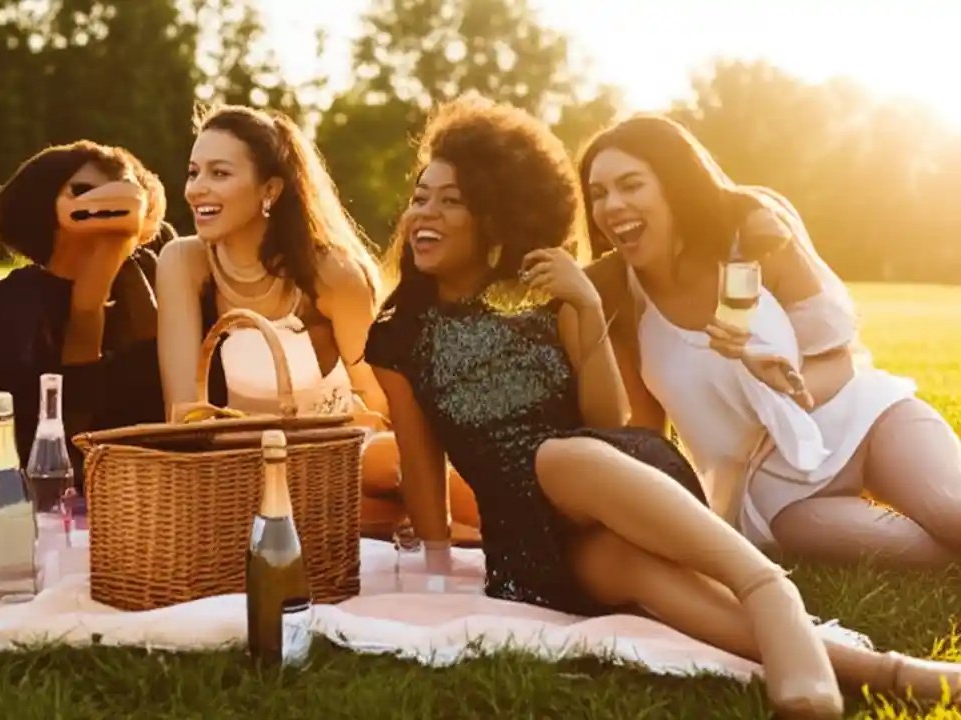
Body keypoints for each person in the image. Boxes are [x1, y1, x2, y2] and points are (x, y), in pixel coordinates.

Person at [366, 93, 961, 717]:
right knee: (657, 584)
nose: (422, 213)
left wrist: (587, 310)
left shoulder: (552, 293)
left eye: (449, 199)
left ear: (491, 214)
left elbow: (606, 423)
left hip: (607, 477)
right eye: (419, 197)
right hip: (531, 542)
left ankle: (769, 588)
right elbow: (419, 460)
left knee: (559, 455)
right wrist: (434, 570)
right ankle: (894, 673)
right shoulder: (400, 333)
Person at [580, 115, 961, 567]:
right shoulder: (621, 301)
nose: (612, 205)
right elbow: (647, 438)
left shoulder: (748, 238)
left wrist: (792, 389)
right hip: (778, 498)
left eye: (631, 185)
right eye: (598, 193)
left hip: (866, 422)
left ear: (673, 187)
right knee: (926, 554)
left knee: (950, 515)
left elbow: (837, 357)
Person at [154, 104, 480, 541]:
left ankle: (490, 533)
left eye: (219, 173)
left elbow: (381, 403)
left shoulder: (332, 276)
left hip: (342, 454)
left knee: (399, 470)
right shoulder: (183, 261)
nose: (197, 189)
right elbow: (182, 415)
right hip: (241, 465)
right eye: (194, 172)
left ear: (270, 188)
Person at [0, 141, 173, 476]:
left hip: (152, 482)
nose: (114, 199)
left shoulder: (148, 276)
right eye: (83, 190)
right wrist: (92, 292)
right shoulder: (16, 301)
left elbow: (161, 385)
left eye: (124, 188)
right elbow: (59, 424)